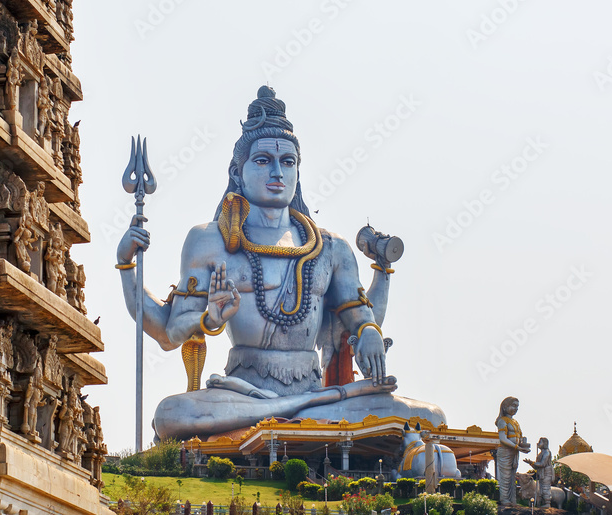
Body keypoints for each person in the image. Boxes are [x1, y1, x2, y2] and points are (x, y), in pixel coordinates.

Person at [117, 86, 445, 441]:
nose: (277, 173)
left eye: (287, 162)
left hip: (316, 392)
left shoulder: (330, 248)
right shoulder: (209, 241)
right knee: (172, 413)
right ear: (238, 171)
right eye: (263, 161)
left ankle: (292, 412)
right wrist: (129, 269)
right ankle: (292, 413)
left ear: (298, 171)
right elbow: (168, 333)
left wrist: (368, 332)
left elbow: (360, 319)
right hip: (240, 394)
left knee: (429, 415)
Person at [495, 396, 530, 506]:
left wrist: (523, 445)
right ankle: (505, 500)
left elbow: (520, 437)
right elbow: (503, 439)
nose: (516, 408)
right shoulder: (502, 421)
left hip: (515, 452)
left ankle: (512, 500)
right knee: (505, 477)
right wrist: (517, 447)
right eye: (513, 405)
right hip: (506, 451)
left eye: (517, 406)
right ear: (505, 407)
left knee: (512, 477)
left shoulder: (515, 422)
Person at [524, 437, 555, 507]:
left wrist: (532, 462)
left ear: (544, 443)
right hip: (541, 472)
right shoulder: (541, 453)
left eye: (540, 442)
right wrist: (530, 463)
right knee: (540, 488)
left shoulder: (547, 452)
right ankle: (542, 502)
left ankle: (547, 503)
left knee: (545, 487)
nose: (538, 443)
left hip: (546, 472)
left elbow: (542, 464)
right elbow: (537, 466)